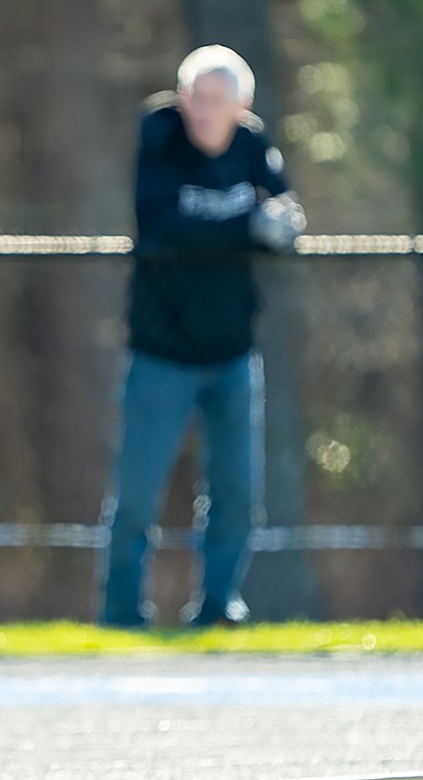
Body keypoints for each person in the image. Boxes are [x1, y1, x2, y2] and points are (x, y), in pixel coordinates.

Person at [100, 45, 305, 629]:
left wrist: (282, 221)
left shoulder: (254, 147)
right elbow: (163, 228)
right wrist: (246, 227)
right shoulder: (160, 138)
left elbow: (282, 209)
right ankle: (120, 614)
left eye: (217, 99)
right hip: (160, 353)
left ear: (242, 106)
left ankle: (218, 606)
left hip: (233, 353)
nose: (202, 110)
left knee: (238, 495)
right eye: (194, 96)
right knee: (137, 497)